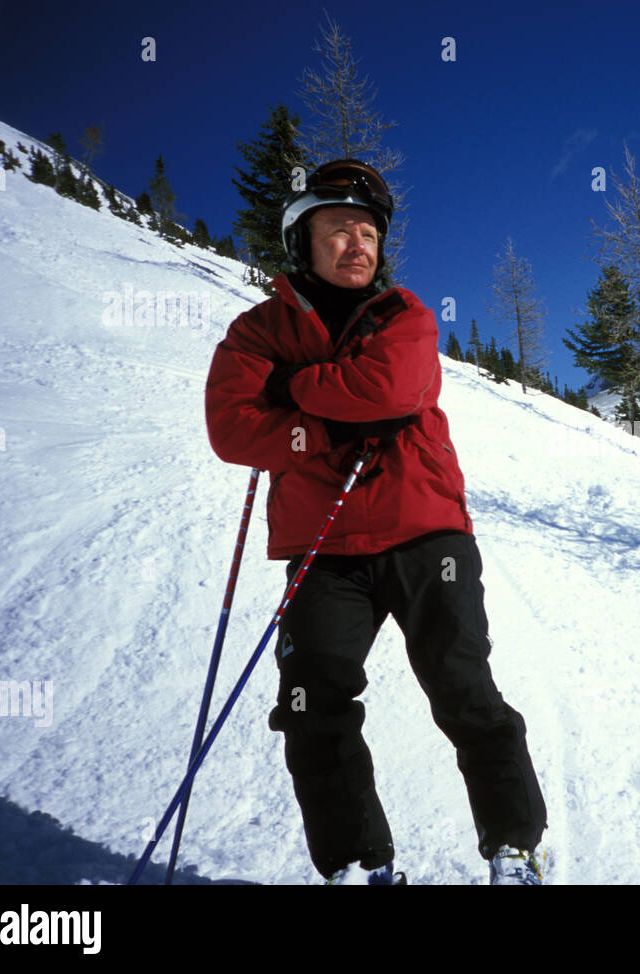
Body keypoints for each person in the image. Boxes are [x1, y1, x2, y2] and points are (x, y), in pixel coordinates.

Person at [204, 158, 547, 885]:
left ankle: (513, 849)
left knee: (463, 689)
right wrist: (326, 431)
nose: (357, 244)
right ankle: (360, 865)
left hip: (427, 534)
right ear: (303, 239)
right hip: (322, 547)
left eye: (368, 231)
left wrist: (293, 390)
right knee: (310, 703)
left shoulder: (406, 317)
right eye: (338, 229)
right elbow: (233, 431)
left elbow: (391, 389)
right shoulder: (255, 330)